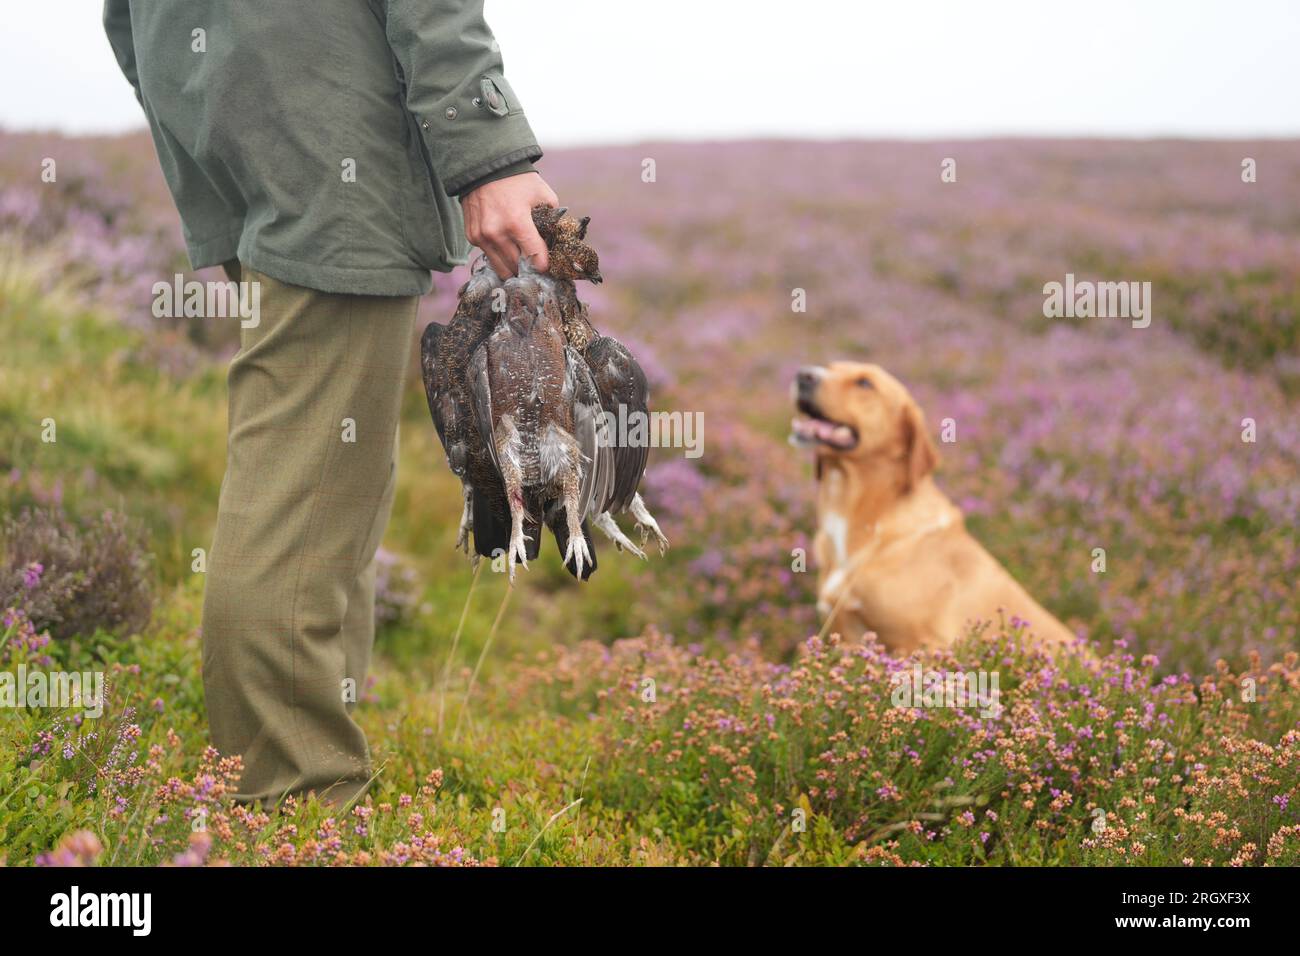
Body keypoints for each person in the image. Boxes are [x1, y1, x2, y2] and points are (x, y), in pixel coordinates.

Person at [103, 0, 558, 807]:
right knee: (303, 501)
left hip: (244, 139)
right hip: (332, 159)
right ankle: (297, 804)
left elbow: (123, 21)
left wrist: (212, 124)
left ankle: (300, 769)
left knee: (323, 486)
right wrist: (488, 156)